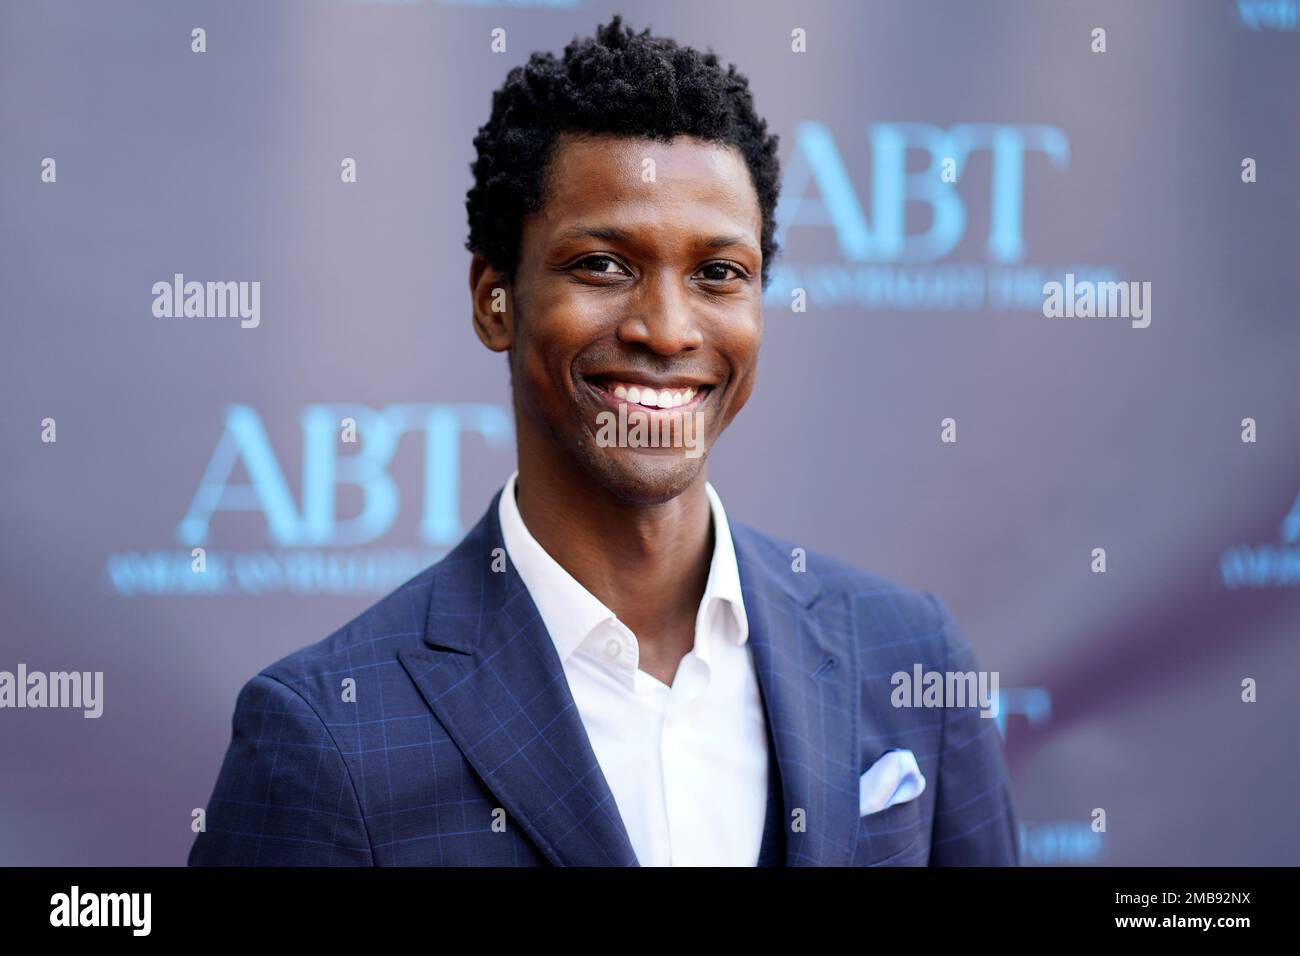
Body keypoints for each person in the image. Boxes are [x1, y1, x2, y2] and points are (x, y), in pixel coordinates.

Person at [189, 15, 1017, 867]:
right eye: (603, 265)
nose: (665, 330)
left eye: (718, 274)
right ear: (494, 299)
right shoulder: (327, 732)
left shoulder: (909, 656)